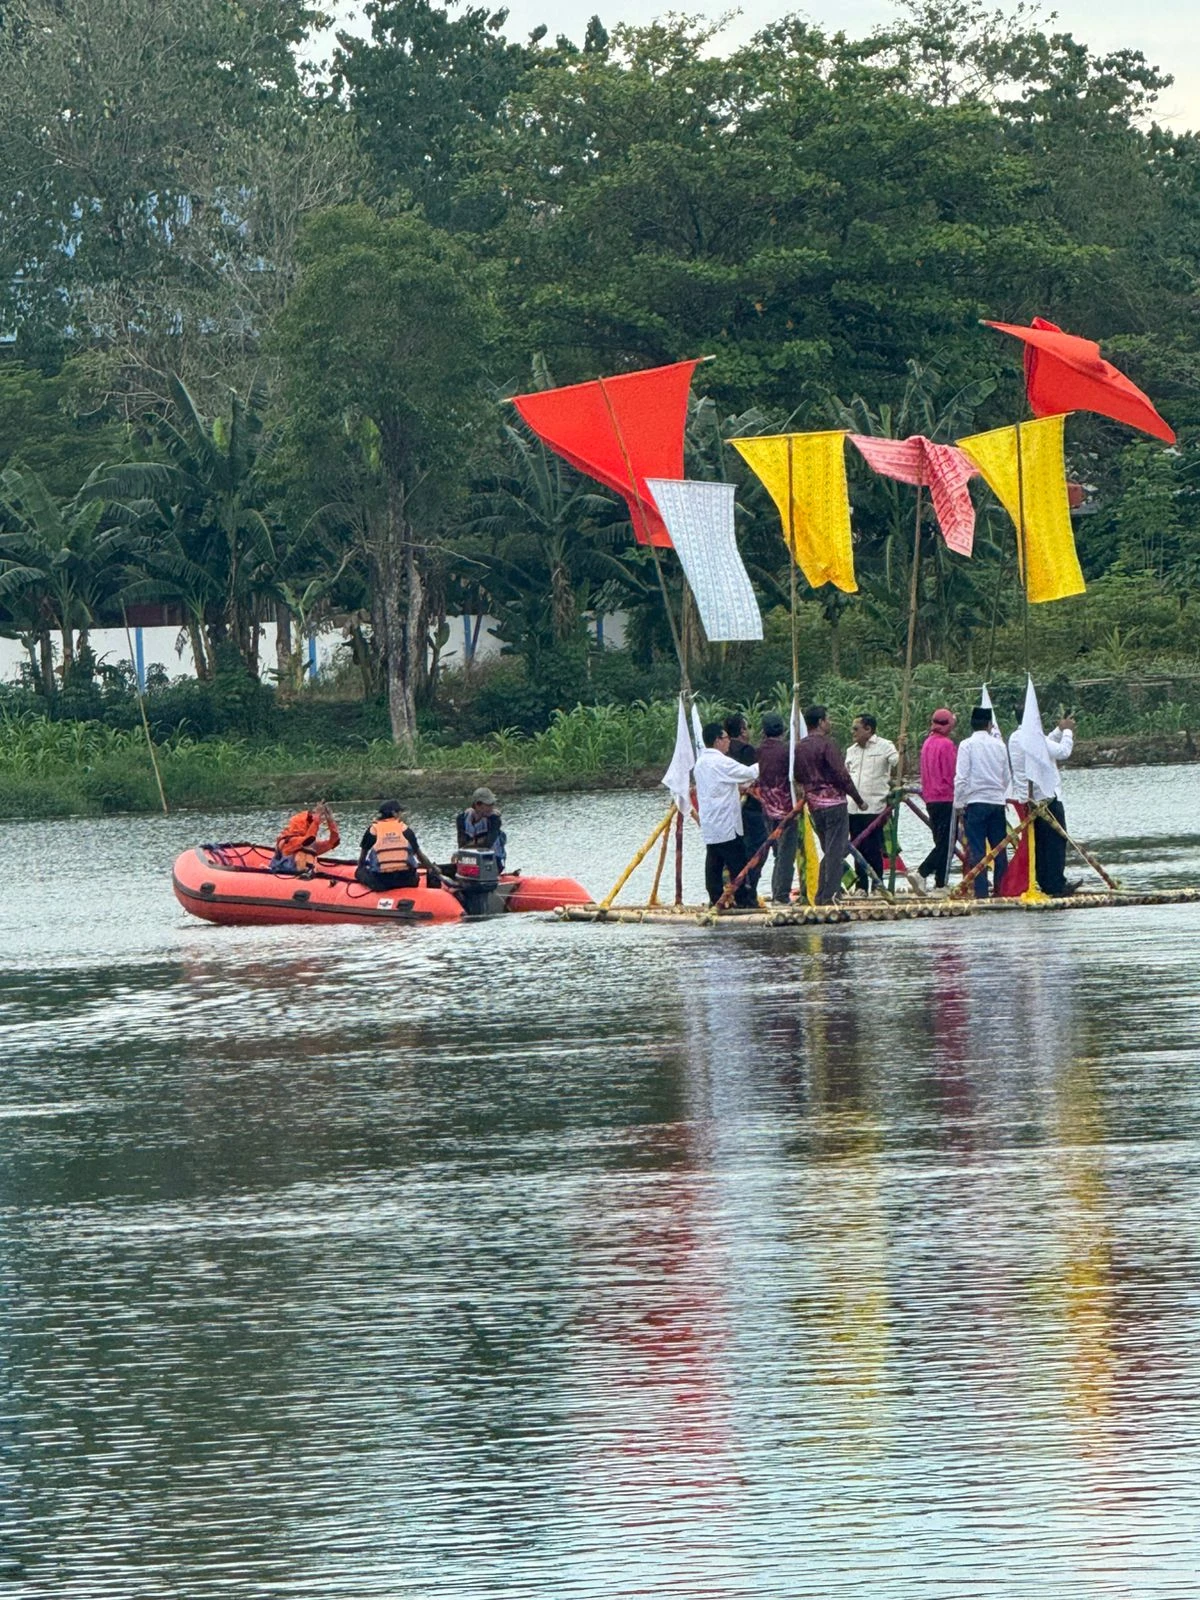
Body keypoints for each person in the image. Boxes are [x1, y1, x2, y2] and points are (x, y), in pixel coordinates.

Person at [793, 706, 866, 905]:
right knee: (837, 850)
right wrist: (858, 799)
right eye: (828, 719)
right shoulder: (827, 745)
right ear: (820, 722)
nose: (830, 722)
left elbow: (798, 776)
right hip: (834, 803)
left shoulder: (799, 748)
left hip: (815, 806)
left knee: (831, 849)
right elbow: (841, 775)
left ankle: (822, 893)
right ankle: (830, 895)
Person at [1008, 713, 1078, 896]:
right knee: (1056, 841)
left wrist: (1059, 730)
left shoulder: (1016, 737)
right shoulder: (1033, 738)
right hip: (1047, 798)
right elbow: (1063, 752)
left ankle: (1045, 881)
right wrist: (1068, 731)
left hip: (1031, 800)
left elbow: (1046, 745)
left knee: (1041, 842)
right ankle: (1056, 884)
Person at [694, 720, 759, 908]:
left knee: (714, 863)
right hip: (725, 823)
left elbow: (725, 784)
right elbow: (748, 773)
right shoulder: (719, 762)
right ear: (717, 741)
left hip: (710, 823)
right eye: (725, 738)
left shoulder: (701, 763)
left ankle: (716, 899)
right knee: (737, 864)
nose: (729, 741)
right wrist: (764, 762)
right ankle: (744, 901)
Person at [954, 706, 1012, 898]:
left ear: (971, 724)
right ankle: (1001, 889)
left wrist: (958, 803)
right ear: (989, 725)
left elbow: (961, 778)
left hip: (976, 802)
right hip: (997, 802)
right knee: (999, 848)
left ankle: (980, 893)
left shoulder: (966, 745)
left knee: (977, 848)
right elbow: (1006, 777)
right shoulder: (1000, 746)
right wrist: (999, 794)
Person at [845, 713, 899, 893]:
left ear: (868, 729)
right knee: (857, 845)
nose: (853, 732)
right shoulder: (851, 751)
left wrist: (902, 748)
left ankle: (877, 884)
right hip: (853, 807)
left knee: (873, 847)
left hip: (875, 805)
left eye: (856, 729)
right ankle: (861, 887)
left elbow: (896, 761)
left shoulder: (885, 746)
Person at [755, 711, 799, 904]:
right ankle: (781, 895)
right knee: (786, 854)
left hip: (765, 808)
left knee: (775, 853)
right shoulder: (787, 751)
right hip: (787, 810)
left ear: (763, 731)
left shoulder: (758, 751)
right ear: (782, 729)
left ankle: (777, 892)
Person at [724, 712, 768, 897]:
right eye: (747, 727)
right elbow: (754, 777)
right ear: (742, 730)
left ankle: (733, 889)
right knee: (758, 848)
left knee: (735, 850)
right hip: (750, 808)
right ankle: (749, 887)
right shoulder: (747, 751)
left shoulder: (723, 752)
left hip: (729, 810)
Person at [356, 799, 440, 892]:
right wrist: (432, 868)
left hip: (382, 882)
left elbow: (362, 858)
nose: (402, 814)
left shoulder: (373, 830)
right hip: (407, 880)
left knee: (359, 872)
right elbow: (420, 856)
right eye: (400, 812)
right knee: (414, 875)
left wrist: (361, 868)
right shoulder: (405, 829)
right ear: (394, 813)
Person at [917, 709, 958, 889]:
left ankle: (941, 882)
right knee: (947, 841)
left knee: (940, 840)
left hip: (930, 798)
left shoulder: (927, 743)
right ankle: (922, 872)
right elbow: (952, 773)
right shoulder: (946, 745)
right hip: (945, 797)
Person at [268, 801, 340, 876]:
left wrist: (330, 821)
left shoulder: (311, 844)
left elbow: (334, 842)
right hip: (283, 873)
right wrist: (316, 820)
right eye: (310, 821)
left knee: (308, 850)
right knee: (304, 851)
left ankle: (308, 873)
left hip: (303, 874)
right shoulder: (288, 841)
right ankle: (305, 873)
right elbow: (307, 840)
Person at [456, 786, 506, 870]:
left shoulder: (495, 819)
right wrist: (463, 850)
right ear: (477, 805)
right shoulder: (461, 819)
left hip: (494, 860)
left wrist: (467, 847)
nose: (492, 807)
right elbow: (461, 844)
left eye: (493, 804)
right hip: (471, 859)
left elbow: (487, 844)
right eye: (489, 804)